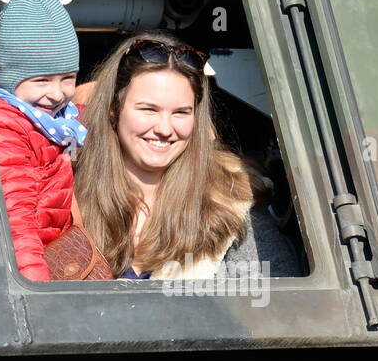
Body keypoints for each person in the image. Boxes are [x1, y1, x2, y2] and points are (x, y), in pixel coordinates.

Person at [74, 30, 300, 280]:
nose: (164, 128)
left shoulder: (231, 209)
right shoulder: (66, 197)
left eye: (180, 112)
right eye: (148, 109)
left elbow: (280, 307)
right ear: (114, 110)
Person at [0, 0, 87, 281]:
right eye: (41, 80)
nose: (56, 94)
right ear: (9, 81)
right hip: (25, 269)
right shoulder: (5, 126)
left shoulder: (57, 120)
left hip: (49, 255)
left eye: (68, 79)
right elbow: (15, 220)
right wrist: (36, 290)